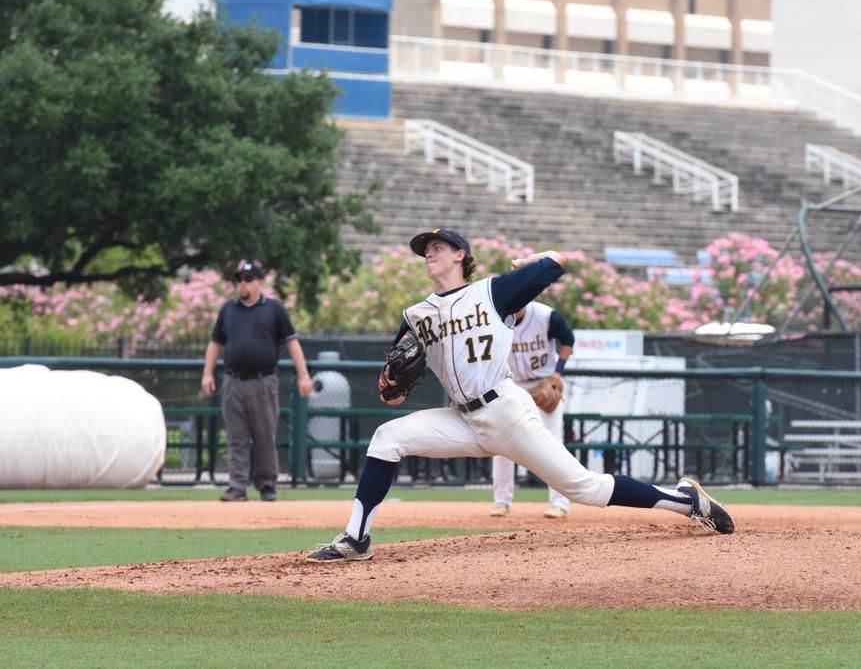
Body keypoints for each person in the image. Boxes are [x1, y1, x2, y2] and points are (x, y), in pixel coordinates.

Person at [305, 229, 734, 563]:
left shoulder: (493, 292)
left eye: (438, 246)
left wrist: (527, 262)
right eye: (425, 250)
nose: (429, 253)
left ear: (460, 256)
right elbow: (393, 392)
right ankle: (356, 538)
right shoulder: (415, 315)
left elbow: (556, 265)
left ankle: (685, 501)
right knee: (386, 437)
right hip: (460, 419)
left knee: (583, 488)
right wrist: (390, 385)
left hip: (506, 411)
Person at [201, 259, 313, 502]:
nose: (243, 284)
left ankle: (266, 484)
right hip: (233, 380)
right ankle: (237, 486)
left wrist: (303, 375)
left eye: (248, 279)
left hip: (263, 381)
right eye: (239, 279)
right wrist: (207, 373)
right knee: (236, 437)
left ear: (260, 282)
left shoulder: (274, 309)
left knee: (264, 435)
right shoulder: (228, 309)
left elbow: (292, 341)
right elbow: (215, 342)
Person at [490, 300, 574, 519]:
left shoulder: (546, 316)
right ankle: (501, 501)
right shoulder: (495, 315)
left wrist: (557, 372)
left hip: (543, 382)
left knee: (553, 443)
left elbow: (568, 340)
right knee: (501, 444)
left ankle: (560, 503)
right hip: (511, 385)